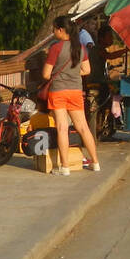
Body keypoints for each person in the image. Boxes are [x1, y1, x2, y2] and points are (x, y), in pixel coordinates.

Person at [41, 16, 101, 175]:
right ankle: (95, 162)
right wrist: (73, 74)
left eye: (54, 29)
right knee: (83, 127)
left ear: (61, 30)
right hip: (75, 91)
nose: (53, 32)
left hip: (59, 91)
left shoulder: (56, 48)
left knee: (62, 127)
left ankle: (65, 167)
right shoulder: (81, 48)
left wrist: (59, 75)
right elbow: (87, 70)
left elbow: (46, 74)